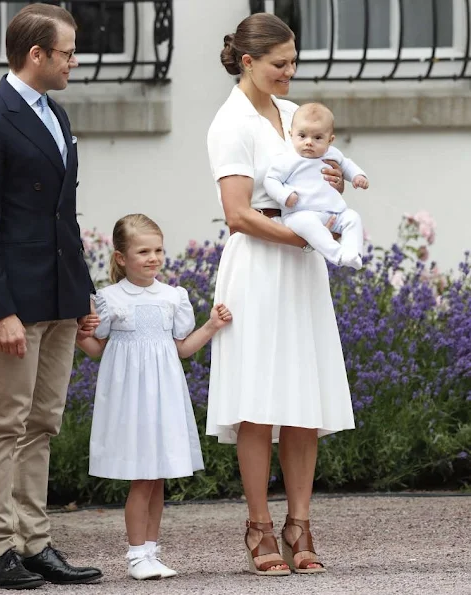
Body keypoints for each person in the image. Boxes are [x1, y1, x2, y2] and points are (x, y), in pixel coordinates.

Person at [206, 13, 355, 576]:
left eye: (294, 61)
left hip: (301, 268)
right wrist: (301, 235)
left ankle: (300, 523)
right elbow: (239, 214)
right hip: (261, 267)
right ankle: (259, 526)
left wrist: (333, 194)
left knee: (301, 397)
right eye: (280, 64)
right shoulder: (231, 123)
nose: (291, 72)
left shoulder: (296, 116)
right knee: (257, 401)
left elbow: (321, 181)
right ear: (248, 62)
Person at [0, 4, 103, 590]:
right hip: (15, 303)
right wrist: (0, 310)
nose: (75, 61)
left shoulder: (57, 113)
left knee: (43, 423)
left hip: (59, 294)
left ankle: (35, 543)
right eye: (68, 52)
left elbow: (61, 216)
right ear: (36, 55)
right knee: (5, 424)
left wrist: (84, 291)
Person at [77, 214, 232, 581]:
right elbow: (96, 349)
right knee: (142, 478)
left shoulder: (173, 297)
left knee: (158, 476)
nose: (153, 258)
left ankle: (151, 551)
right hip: (130, 398)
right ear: (121, 258)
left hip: (163, 395)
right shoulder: (110, 299)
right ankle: (135, 556)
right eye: (143, 251)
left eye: (158, 250)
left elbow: (182, 349)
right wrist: (74, 329)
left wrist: (211, 326)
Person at [264, 102, 369, 270]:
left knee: (353, 218)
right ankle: (338, 254)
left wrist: (358, 176)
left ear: (330, 140)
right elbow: (270, 180)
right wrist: (285, 196)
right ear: (291, 135)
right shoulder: (288, 160)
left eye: (317, 137)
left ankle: (352, 253)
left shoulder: (333, 154)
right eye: (302, 136)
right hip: (300, 213)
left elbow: (347, 165)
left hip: (335, 214)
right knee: (307, 224)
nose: (309, 142)